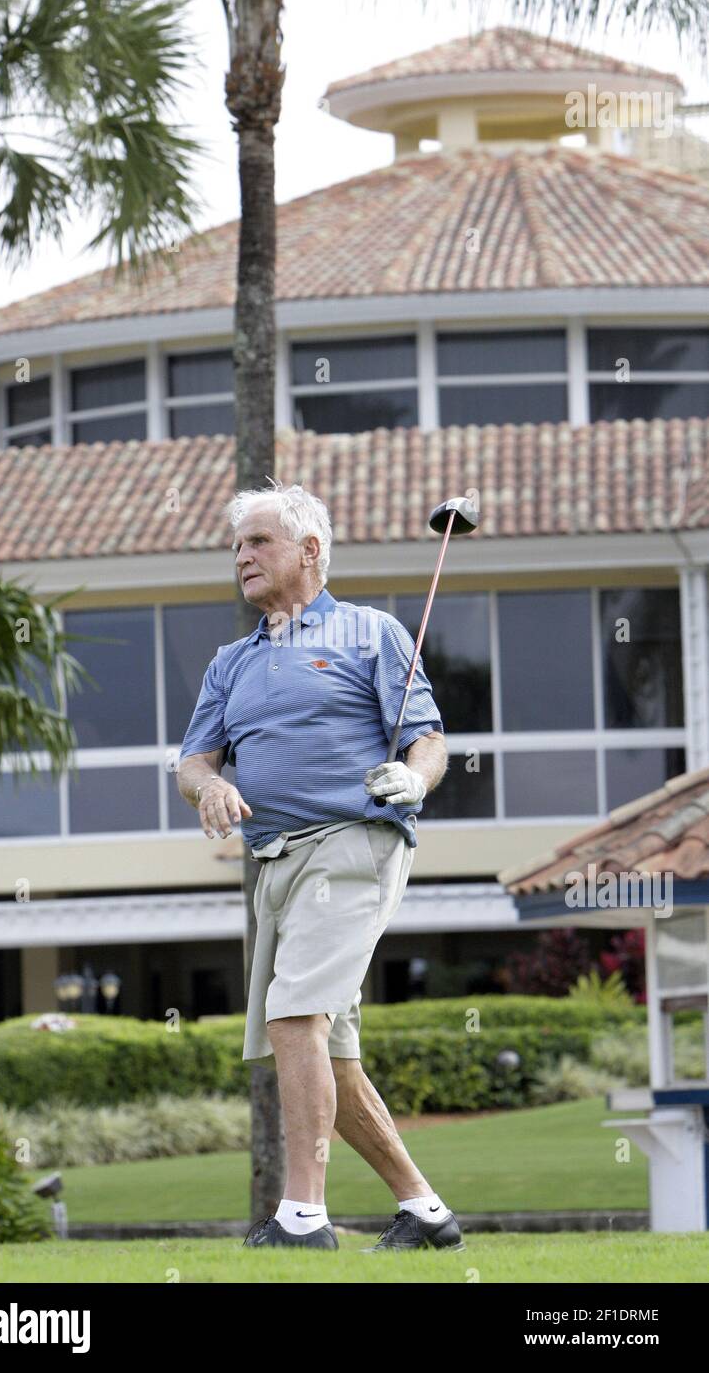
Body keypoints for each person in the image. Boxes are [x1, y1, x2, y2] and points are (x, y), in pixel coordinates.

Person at [176, 482, 464, 1253]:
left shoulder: (372, 633)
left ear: (309, 550)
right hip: (276, 860)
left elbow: (427, 740)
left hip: (355, 842)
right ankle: (426, 1212)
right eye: (237, 545)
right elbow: (194, 761)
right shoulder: (230, 663)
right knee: (329, 1053)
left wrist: (415, 777)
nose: (243, 555)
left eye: (259, 541)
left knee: (292, 1016)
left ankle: (303, 1218)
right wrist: (211, 787)